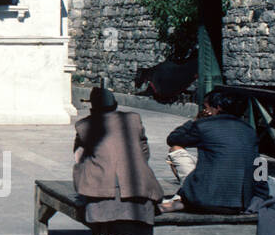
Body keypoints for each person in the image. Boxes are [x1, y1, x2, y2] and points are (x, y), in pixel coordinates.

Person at [72, 85, 163, 227]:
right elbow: (144, 152)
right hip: (139, 187)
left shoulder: (84, 125)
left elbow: (79, 158)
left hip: (100, 190)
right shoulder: (133, 119)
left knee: (83, 162)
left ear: (93, 107)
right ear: (115, 105)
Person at [161, 89, 262, 214]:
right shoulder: (250, 131)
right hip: (240, 203)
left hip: (204, 200)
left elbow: (173, 139)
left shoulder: (204, 126)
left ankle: (181, 199)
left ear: (217, 107)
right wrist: (261, 196)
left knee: (175, 149)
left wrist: (195, 121)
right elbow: (260, 164)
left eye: (206, 107)